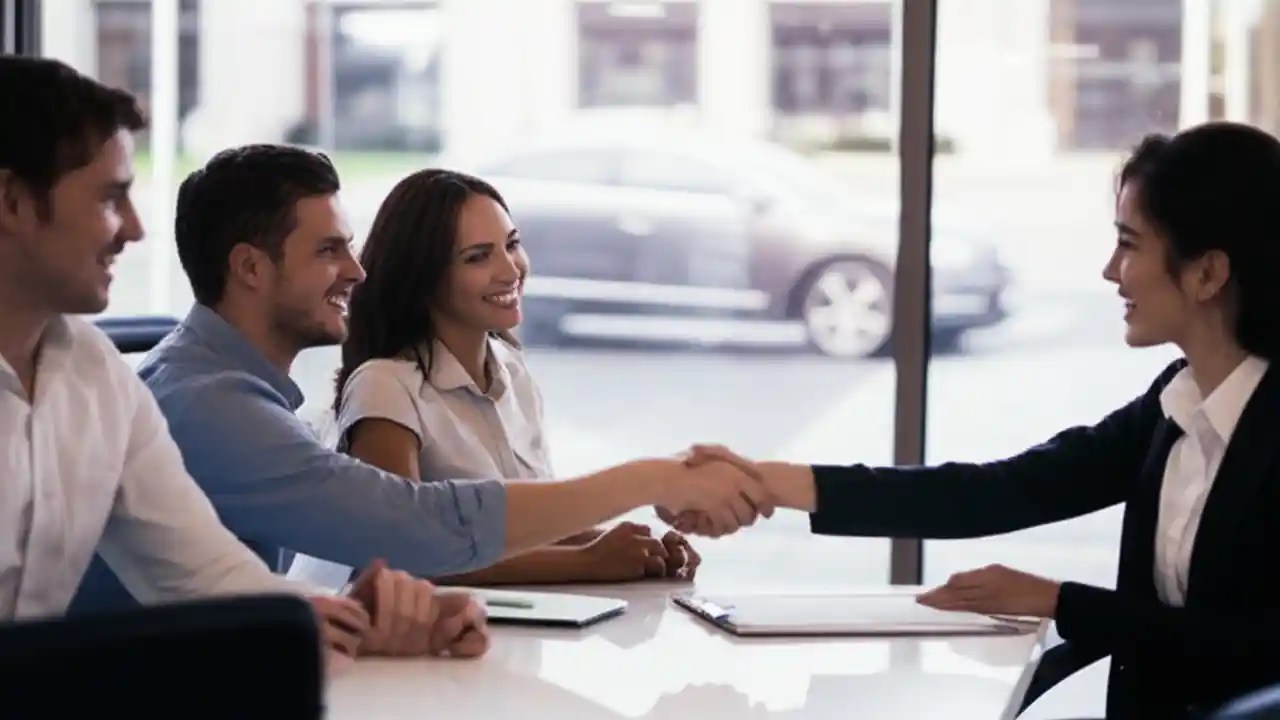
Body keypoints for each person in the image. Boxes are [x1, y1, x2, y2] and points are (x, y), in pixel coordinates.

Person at [678, 121, 1280, 718]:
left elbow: (1250, 645)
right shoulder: (1176, 404)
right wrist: (772, 482)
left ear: (1207, 274)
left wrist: (1056, 600)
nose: (1108, 270)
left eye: (1129, 244)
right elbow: (1001, 490)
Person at [72, 143, 767, 610]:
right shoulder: (213, 407)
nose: (357, 269)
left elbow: (239, 590)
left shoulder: (218, 385)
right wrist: (653, 479)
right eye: (329, 250)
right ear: (251, 268)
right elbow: (405, 523)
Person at [0, 56, 489, 666]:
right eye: (109, 199)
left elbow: (206, 576)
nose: (133, 229)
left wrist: (338, 620)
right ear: (13, 202)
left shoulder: (92, 374)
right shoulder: (201, 401)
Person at [323, 168, 700, 586]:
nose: (510, 270)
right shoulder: (385, 385)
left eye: (512, 244)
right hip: (434, 639)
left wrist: (632, 545)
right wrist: (588, 562)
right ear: (423, 276)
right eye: (478, 257)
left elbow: (531, 526)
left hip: (524, 632)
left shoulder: (512, 371)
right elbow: (401, 556)